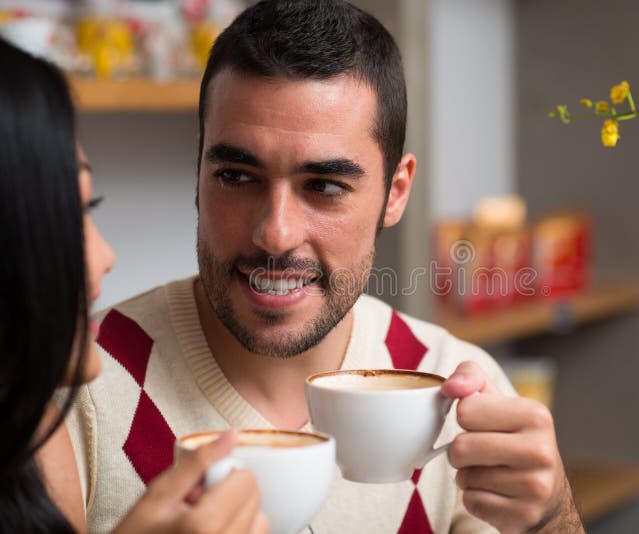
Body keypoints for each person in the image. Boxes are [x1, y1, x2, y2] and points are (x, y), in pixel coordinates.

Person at [63, 1, 585, 532]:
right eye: (237, 177)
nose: (276, 233)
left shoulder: (456, 392)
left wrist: (553, 516)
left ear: (395, 193)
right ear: (199, 170)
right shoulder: (75, 389)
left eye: (326, 187)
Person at [0, 38, 268, 534]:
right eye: (72, 212)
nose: (106, 256)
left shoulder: (28, 445)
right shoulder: (73, 421)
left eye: (325, 186)